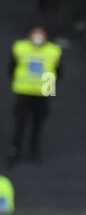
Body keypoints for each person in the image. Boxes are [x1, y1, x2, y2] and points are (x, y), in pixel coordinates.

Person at [8, 25, 61, 165]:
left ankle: (34, 150)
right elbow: (11, 68)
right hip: (24, 90)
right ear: (29, 34)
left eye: (41, 33)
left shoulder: (53, 50)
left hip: (43, 92)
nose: (38, 37)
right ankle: (15, 149)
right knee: (20, 122)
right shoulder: (20, 47)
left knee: (38, 123)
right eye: (35, 33)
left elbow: (58, 71)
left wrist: (48, 87)